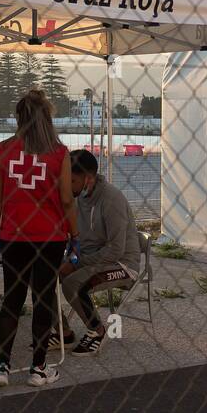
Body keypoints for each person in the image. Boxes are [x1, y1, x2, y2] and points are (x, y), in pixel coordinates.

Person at [0, 89, 76, 388]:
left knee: (12, 299)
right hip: (50, 237)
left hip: (14, 235)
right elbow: (66, 200)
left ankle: (1, 365)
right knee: (43, 298)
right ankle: (38, 368)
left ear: (18, 118)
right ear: (47, 118)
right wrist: (74, 234)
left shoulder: (2, 150)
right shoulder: (59, 153)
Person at [53, 149, 142, 356]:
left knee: (72, 283)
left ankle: (97, 330)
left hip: (122, 265)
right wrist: (68, 258)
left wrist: (76, 263)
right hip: (91, 261)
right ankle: (62, 331)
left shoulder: (111, 199)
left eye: (72, 180)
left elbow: (115, 250)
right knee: (43, 275)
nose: (67, 185)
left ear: (89, 179)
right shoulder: (77, 197)